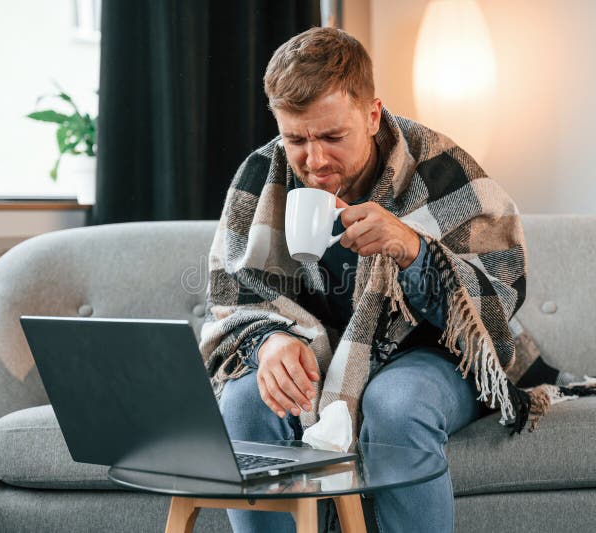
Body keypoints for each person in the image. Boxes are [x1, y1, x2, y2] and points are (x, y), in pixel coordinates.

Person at [200, 26, 529, 533]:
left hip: (432, 353)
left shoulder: (441, 169)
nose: (314, 161)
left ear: (372, 114)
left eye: (333, 137)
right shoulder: (260, 176)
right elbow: (230, 299)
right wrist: (267, 343)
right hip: (320, 351)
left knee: (396, 404)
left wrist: (414, 250)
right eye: (296, 139)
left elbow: (501, 295)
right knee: (247, 401)